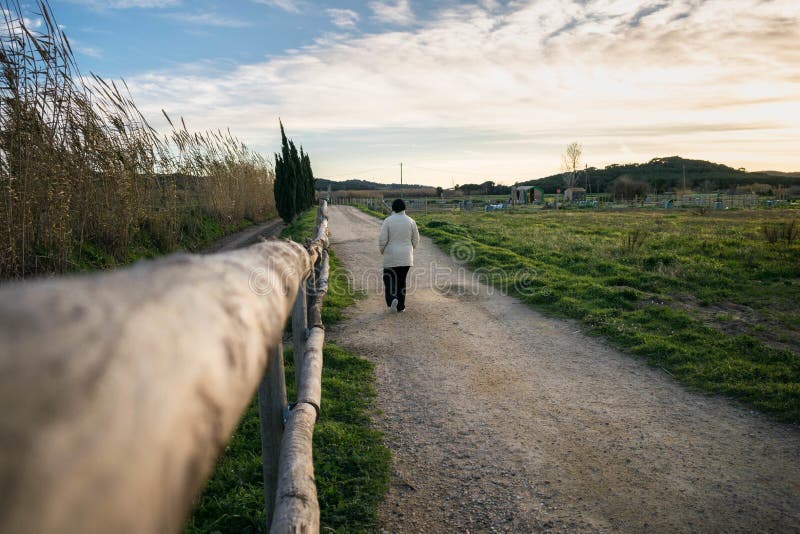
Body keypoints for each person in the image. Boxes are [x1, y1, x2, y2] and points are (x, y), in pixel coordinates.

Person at [379, 198, 419, 313]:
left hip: (391, 256)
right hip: (406, 257)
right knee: (402, 281)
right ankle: (401, 306)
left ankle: (392, 300)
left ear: (393, 208)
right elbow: (416, 239)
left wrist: (382, 250)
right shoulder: (411, 221)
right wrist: (411, 249)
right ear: (405, 208)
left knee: (389, 279)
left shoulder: (388, 221)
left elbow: (382, 239)